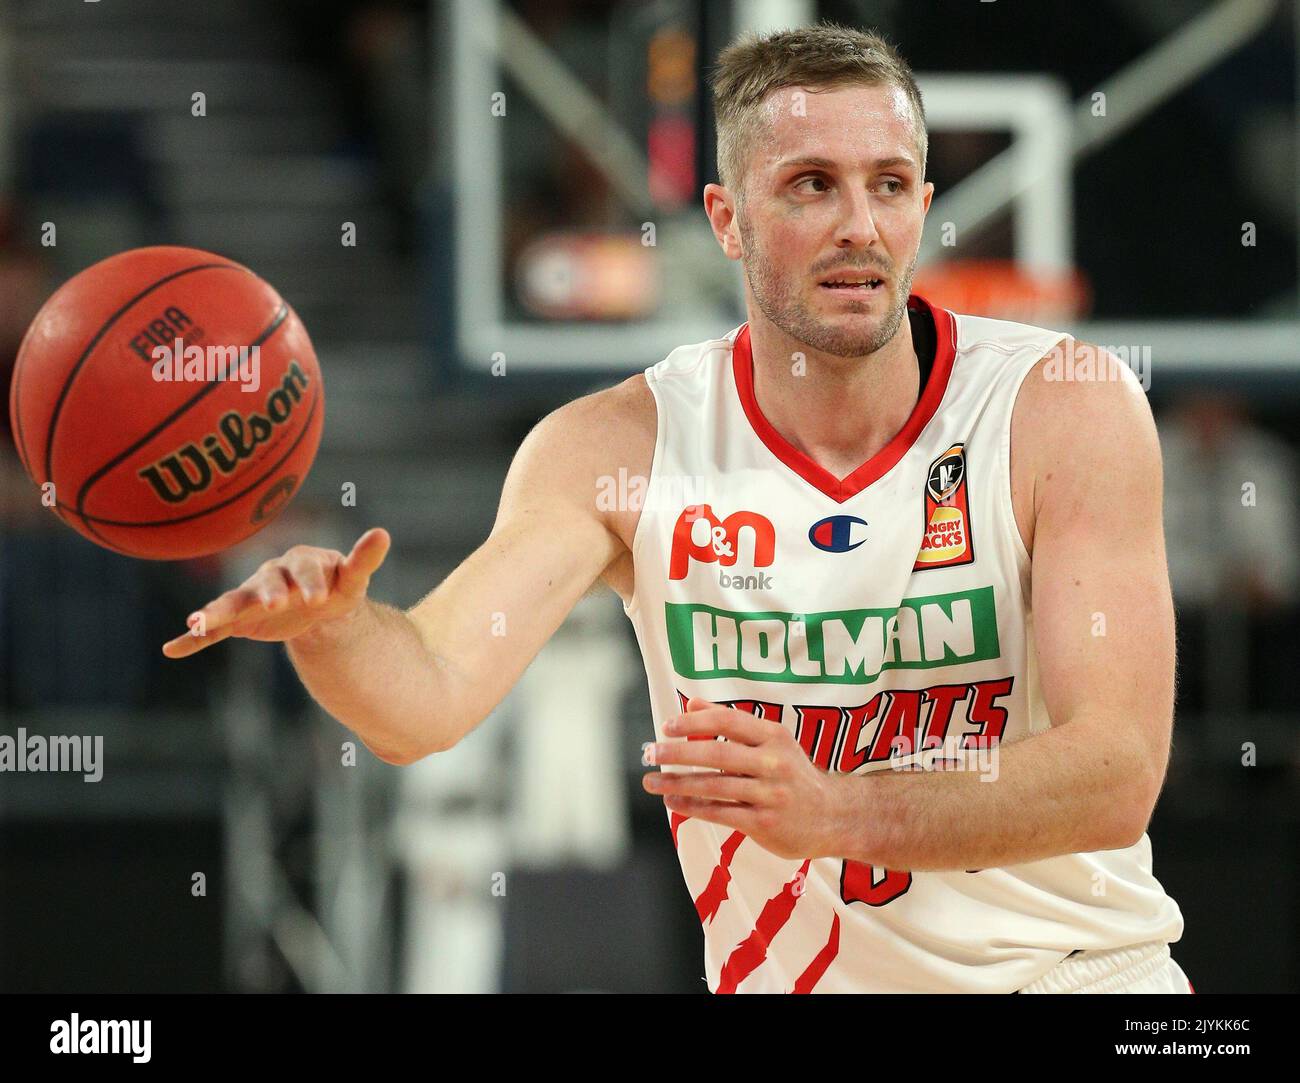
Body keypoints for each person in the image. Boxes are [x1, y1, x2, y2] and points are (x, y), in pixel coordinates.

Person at [164, 22, 1189, 994]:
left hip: (1076, 976)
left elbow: (1116, 772)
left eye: (887, 186)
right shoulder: (618, 450)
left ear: (924, 204)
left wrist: (835, 809)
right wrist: (333, 630)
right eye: (810, 186)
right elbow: (425, 696)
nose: (859, 226)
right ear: (727, 219)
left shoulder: (1061, 410)